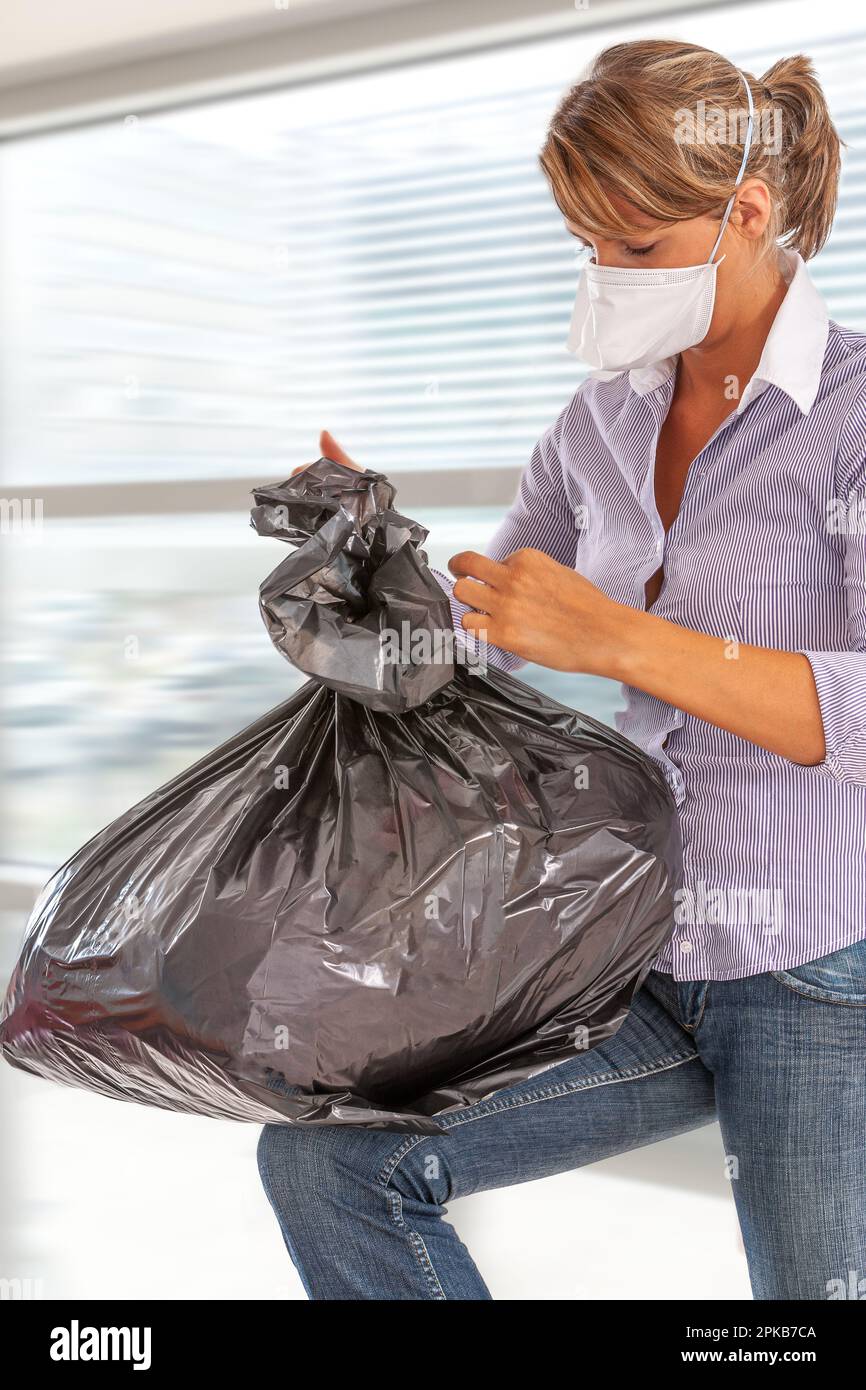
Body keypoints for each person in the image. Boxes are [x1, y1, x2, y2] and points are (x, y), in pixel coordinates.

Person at [257, 39, 866, 1300]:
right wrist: (364, 552)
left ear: (743, 214)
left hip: (819, 965)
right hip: (634, 945)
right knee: (330, 1166)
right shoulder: (596, 424)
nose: (602, 277)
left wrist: (616, 639)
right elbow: (462, 631)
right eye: (584, 243)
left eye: (633, 249)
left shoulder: (853, 417)